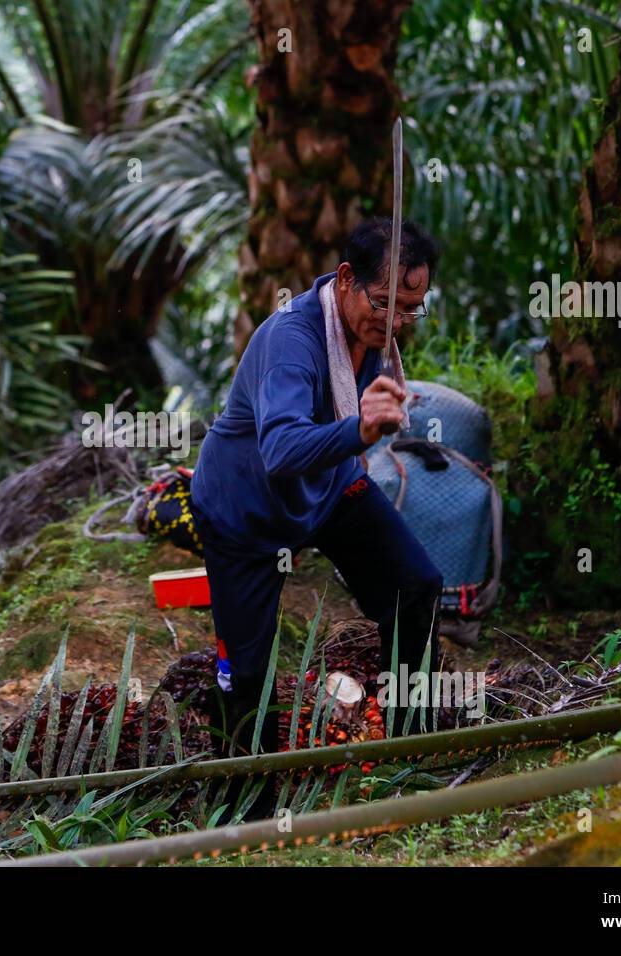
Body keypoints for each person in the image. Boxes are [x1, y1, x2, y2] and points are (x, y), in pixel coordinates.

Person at [190, 218, 444, 777]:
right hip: (245, 512)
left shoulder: (372, 332)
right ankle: (243, 807)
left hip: (327, 487)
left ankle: (402, 751)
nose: (396, 321)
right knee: (246, 673)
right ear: (347, 279)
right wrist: (360, 429)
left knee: (415, 585)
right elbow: (280, 449)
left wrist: (358, 431)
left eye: (410, 307)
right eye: (384, 303)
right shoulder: (292, 340)